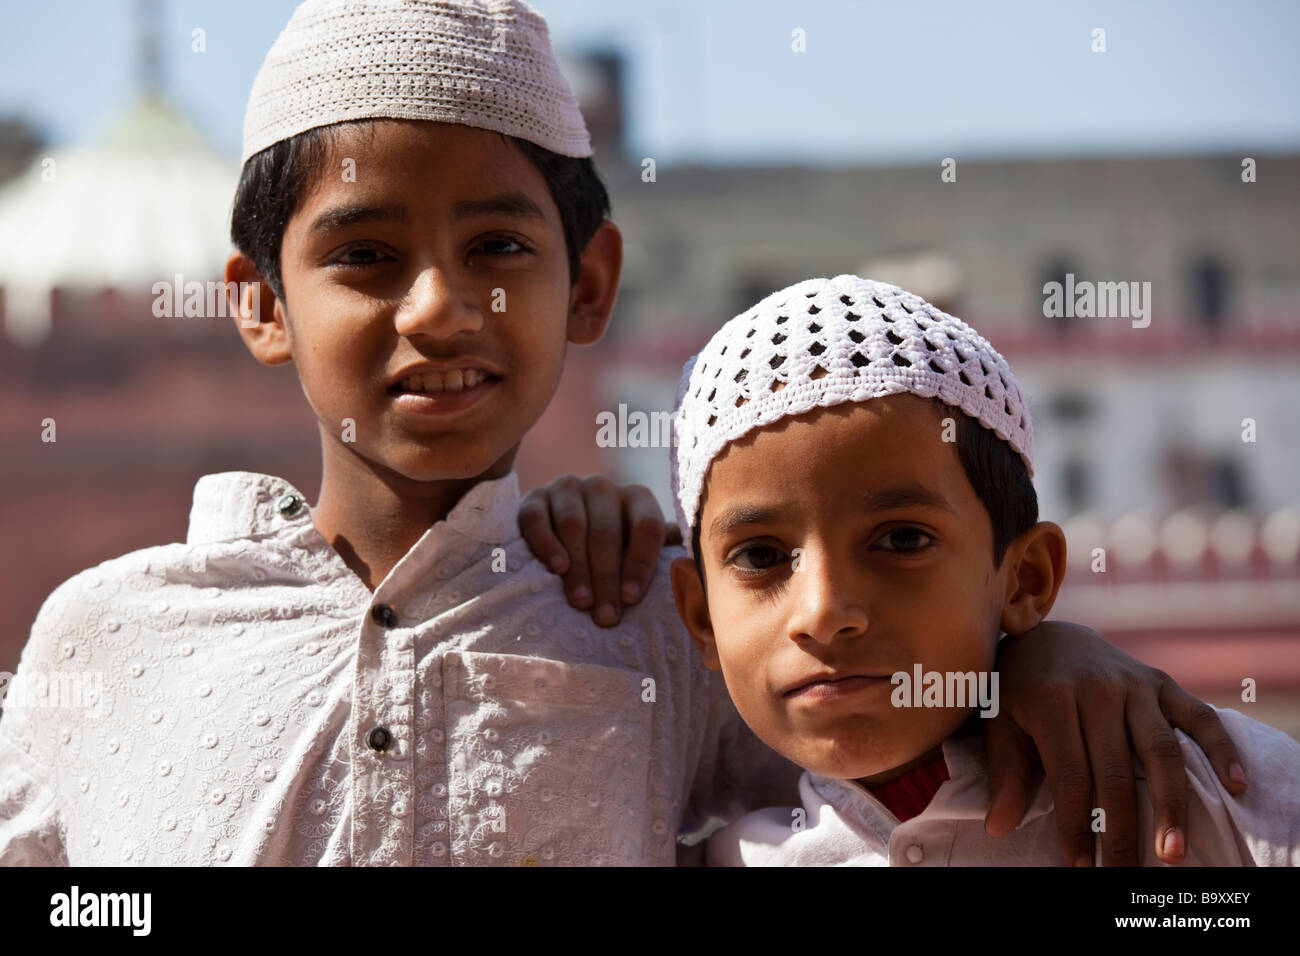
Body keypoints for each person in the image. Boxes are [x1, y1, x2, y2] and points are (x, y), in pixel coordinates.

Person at [0, 0, 1248, 867]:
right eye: (366, 257)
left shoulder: (661, 625)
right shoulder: (113, 636)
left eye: (497, 248)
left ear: (588, 283)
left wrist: (1028, 660)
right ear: (262, 301)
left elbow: (892, 754)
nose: (437, 308)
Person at [659, 274, 1300, 865]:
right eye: (761, 557)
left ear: (1027, 580)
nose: (824, 611)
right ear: (700, 616)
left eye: (902, 539)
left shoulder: (1209, 796)